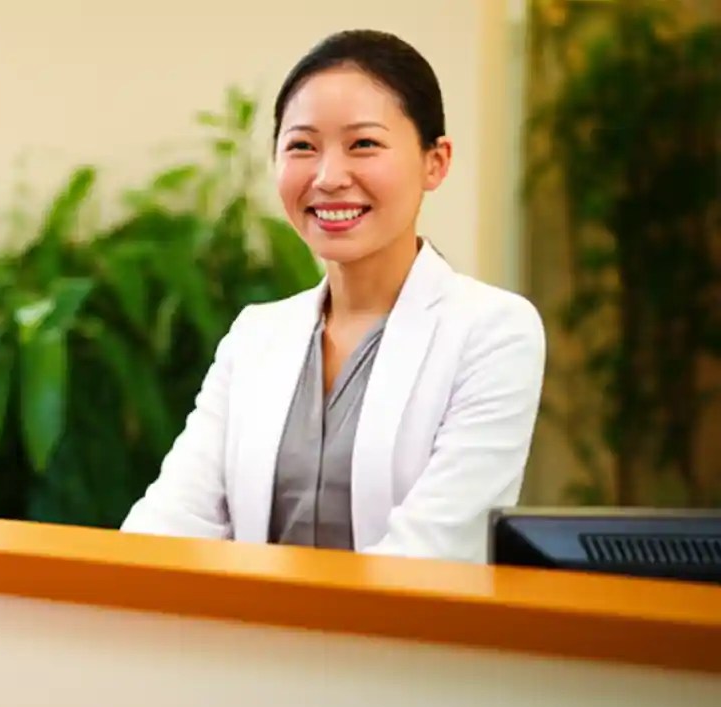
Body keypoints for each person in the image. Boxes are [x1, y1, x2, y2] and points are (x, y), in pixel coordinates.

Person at [121, 29, 546, 563]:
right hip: (246, 643)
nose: (328, 177)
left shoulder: (494, 331)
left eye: (363, 144)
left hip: (401, 644)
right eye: (302, 146)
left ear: (435, 161)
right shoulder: (255, 336)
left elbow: (435, 550)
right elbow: (169, 522)